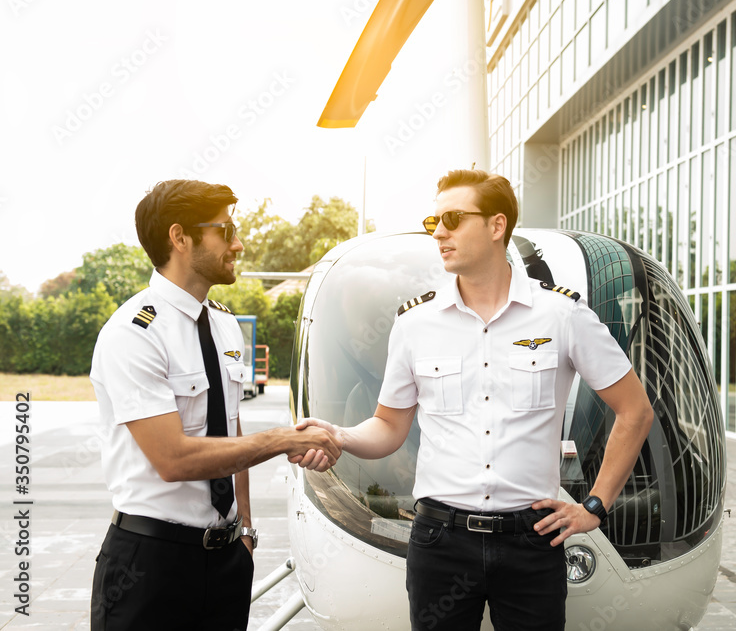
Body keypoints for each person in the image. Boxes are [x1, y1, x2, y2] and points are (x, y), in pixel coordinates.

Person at [294, 169, 654, 630]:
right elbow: (388, 426)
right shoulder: (415, 325)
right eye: (434, 222)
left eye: (452, 219)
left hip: (531, 541)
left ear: (496, 225)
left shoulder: (563, 316)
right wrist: (339, 435)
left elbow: (634, 410)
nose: (439, 232)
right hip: (441, 542)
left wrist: (595, 507)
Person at [89, 179, 342, 631]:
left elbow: (230, 431)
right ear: (179, 237)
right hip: (150, 566)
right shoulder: (133, 333)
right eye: (226, 231)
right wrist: (283, 439)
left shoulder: (224, 325)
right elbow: (172, 458)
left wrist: (244, 528)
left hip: (226, 561)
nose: (239, 244)